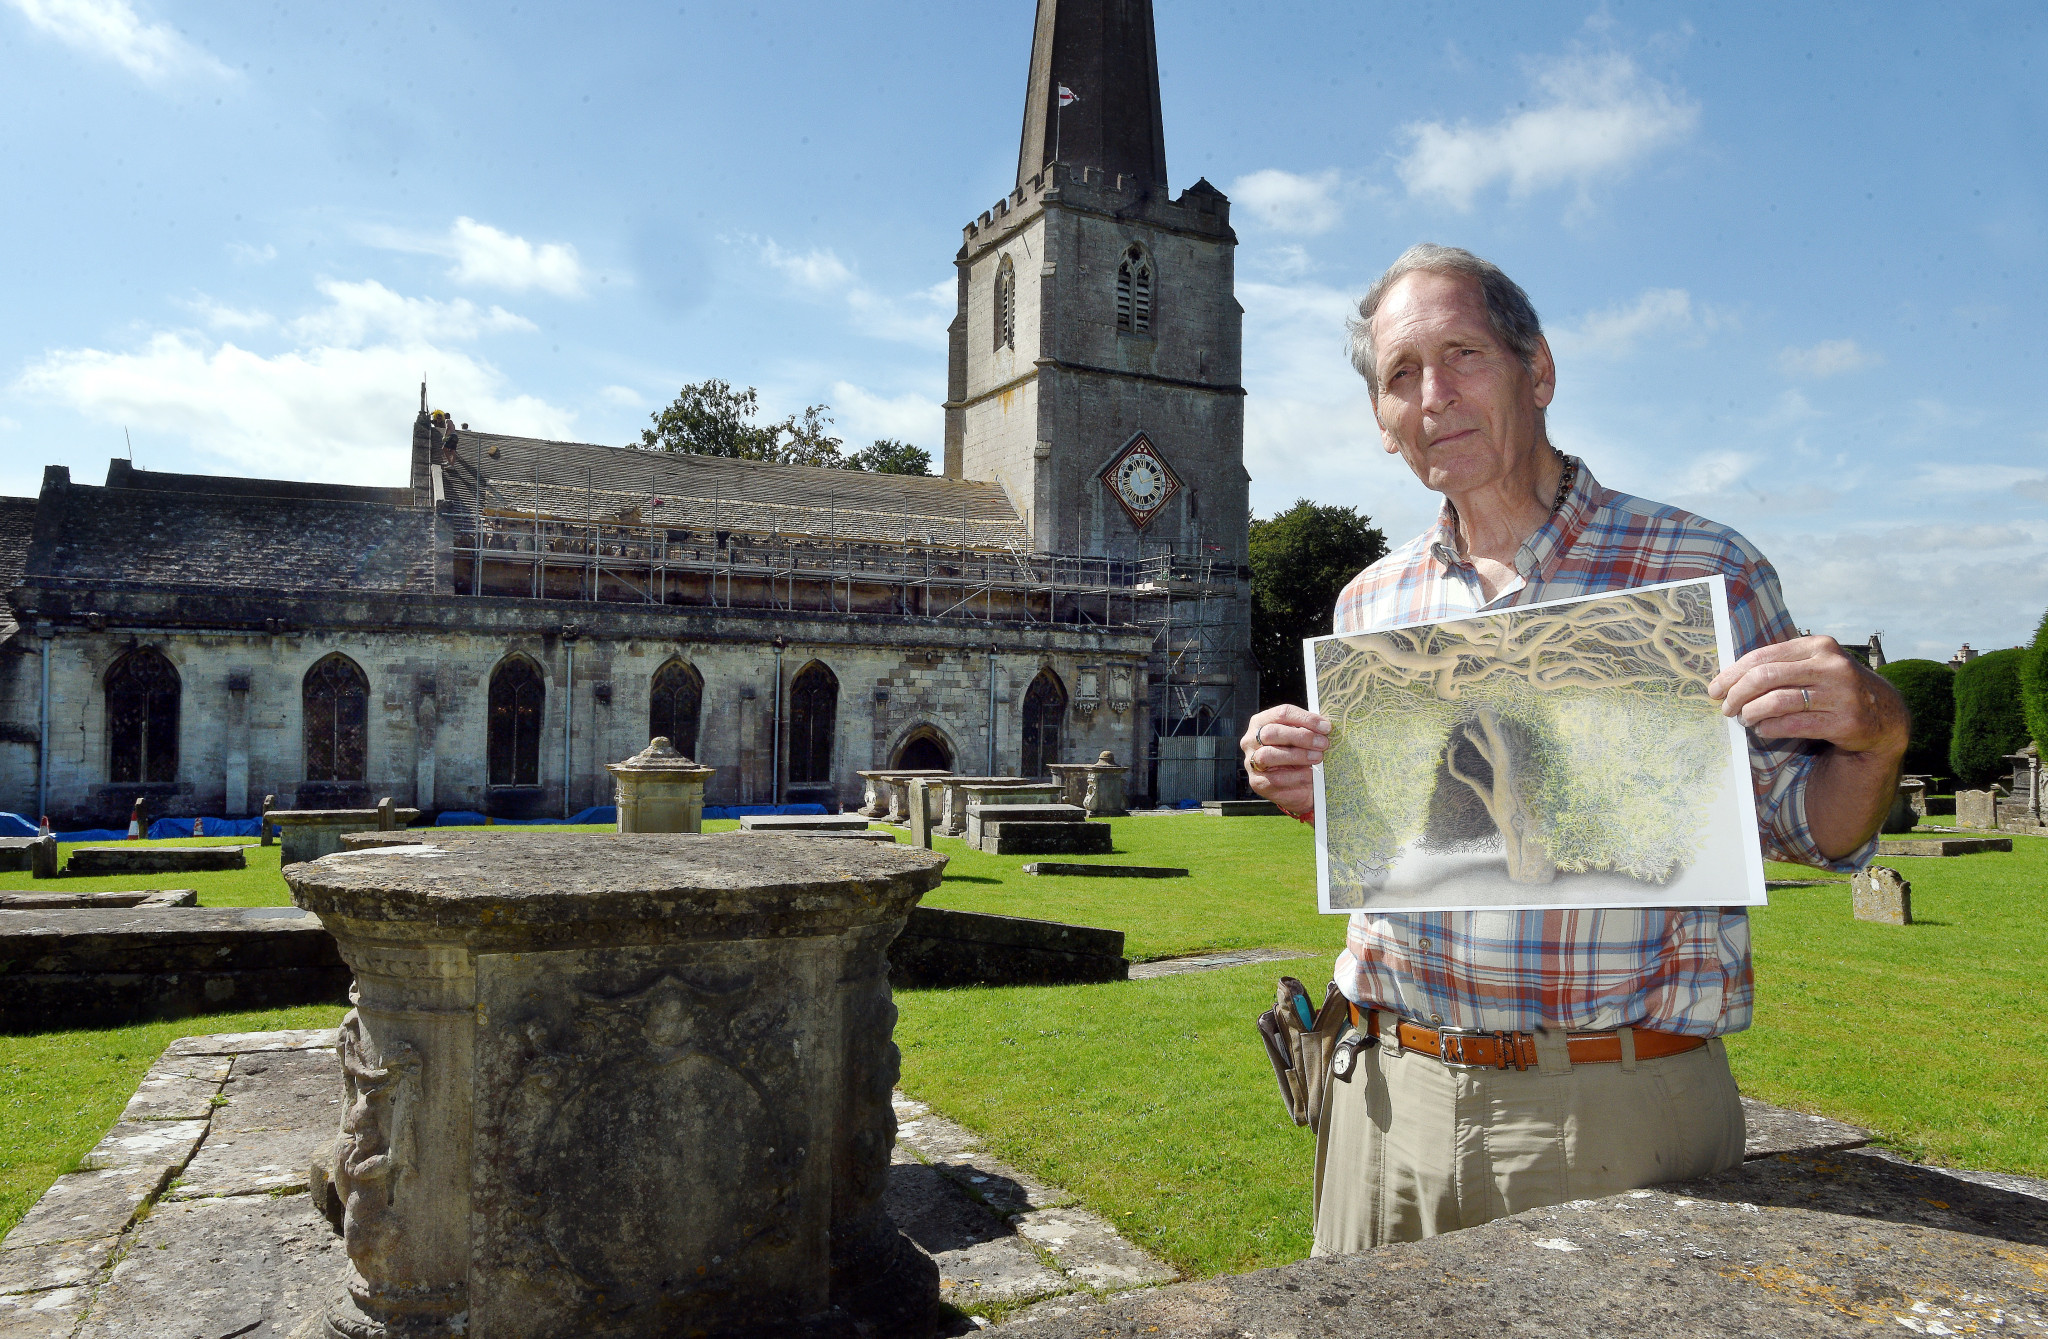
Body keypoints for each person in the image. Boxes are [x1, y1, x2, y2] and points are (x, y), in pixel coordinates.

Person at [1241, 244, 1907, 1253]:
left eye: (1460, 353)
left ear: (1536, 371)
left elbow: (1805, 827)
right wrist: (1313, 788)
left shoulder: (1700, 569)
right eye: (1399, 375)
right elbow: (1399, 841)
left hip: (1608, 1107)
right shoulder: (1369, 603)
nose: (1431, 396)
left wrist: (1876, 737)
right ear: (1380, 420)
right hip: (1383, 1092)